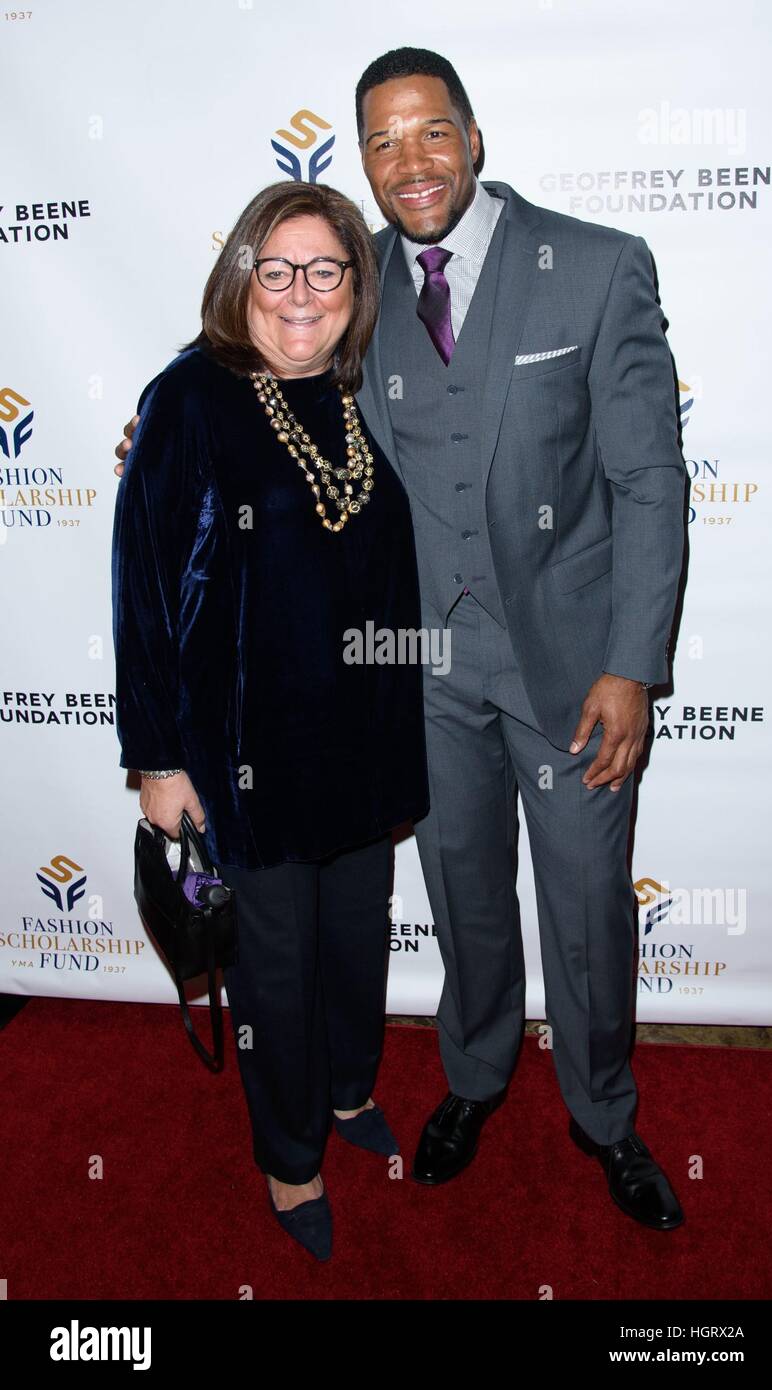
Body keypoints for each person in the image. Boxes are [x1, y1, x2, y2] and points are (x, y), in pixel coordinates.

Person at [116, 46, 688, 1233]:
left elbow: (649, 481)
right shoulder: (348, 282)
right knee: (465, 898)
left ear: (472, 139)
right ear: (360, 161)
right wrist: (157, 438)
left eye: (430, 132)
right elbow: (240, 379)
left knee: (584, 904)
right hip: (408, 683)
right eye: (380, 140)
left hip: (572, 672)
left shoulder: (590, 267)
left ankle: (602, 1113)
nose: (408, 160)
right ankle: (474, 1078)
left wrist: (631, 664)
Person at [111, 179, 430, 1262]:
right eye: (277, 269)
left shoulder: (349, 393)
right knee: (275, 975)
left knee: (353, 949)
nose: (301, 293)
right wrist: (157, 759)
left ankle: (346, 1095)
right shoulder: (190, 399)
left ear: (354, 287)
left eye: (326, 270)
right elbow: (142, 589)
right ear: (239, 276)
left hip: (359, 753)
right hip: (246, 762)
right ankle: (290, 1160)